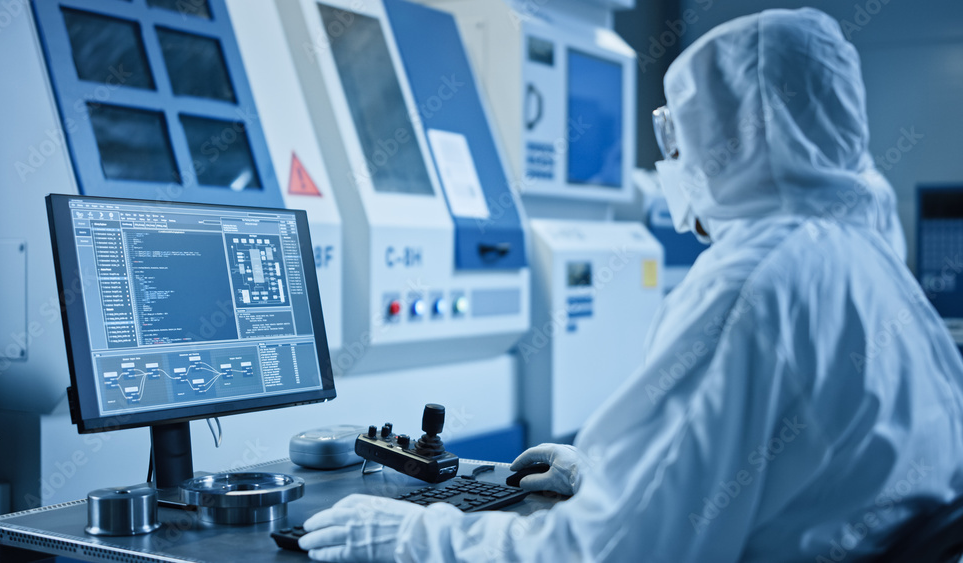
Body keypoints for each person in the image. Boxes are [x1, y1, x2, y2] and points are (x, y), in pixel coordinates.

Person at [299, 8, 963, 561]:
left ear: (726, 135)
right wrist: (609, 476)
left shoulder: (753, 282)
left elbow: (604, 552)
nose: (671, 162)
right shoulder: (869, 262)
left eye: (680, 136)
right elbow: (800, 477)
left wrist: (409, 535)